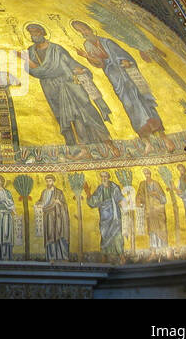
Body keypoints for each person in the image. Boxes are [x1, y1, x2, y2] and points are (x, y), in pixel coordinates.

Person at [73, 20, 169, 152]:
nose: (83, 33)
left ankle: (163, 136)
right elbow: (100, 64)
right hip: (116, 78)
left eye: (84, 30)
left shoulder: (107, 42)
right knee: (130, 106)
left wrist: (125, 61)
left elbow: (124, 55)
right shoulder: (88, 46)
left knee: (144, 102)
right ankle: (146, 142)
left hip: (127, 74)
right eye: (80, 32)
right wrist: (86, 56)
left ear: (90, 29)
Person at [26, 24, 113, 149]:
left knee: (83, 110)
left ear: (43, 32)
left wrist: (81, 70)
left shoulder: (56, 49)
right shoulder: (30, 51)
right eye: (31, 33)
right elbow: (34, 71)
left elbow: (69, 63)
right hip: (51, 88)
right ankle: (79, 148)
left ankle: (107, 141)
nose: (34, 35)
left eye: (36, 32)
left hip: (69, 85)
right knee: (66, 117)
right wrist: (29, 64)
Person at [85, 171, 124, 257]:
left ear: (108, 177)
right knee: (105, 233)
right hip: (104, 215)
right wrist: (88, 193)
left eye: (105, 176)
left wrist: (125, 206)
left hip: (114, 214)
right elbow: (93, 202)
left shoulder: (114, 187)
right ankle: (105, 255)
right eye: (102, 177)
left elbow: (120, 199)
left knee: (117, 233)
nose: (103, 178)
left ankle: (121, 255)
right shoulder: (100, 188)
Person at [37, 175, 69, 260]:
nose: (48, 183)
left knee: (58, 234)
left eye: (50, 181)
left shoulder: (58, 192)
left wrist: (59, 202)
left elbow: (65, 205)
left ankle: (61, 256)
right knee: (50, 235)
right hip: (48, 217)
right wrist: (38, 203)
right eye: (47, 181)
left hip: (57, 217)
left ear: (53, 181)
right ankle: (51, 256)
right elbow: (41, 201)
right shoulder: (44, 192)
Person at [137, 168, 169, 250]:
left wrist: (156, 194)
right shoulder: (142, 184)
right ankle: (154, 246)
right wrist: (139, 199)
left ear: (150, 174)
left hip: (158, 210)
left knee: (161, 226)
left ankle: (163, 246)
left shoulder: (156, 184)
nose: (146, 175)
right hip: (149, 210)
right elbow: (140, 195)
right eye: (145, 174)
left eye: (148, 173)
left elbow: (164, 199)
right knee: (151, 228)